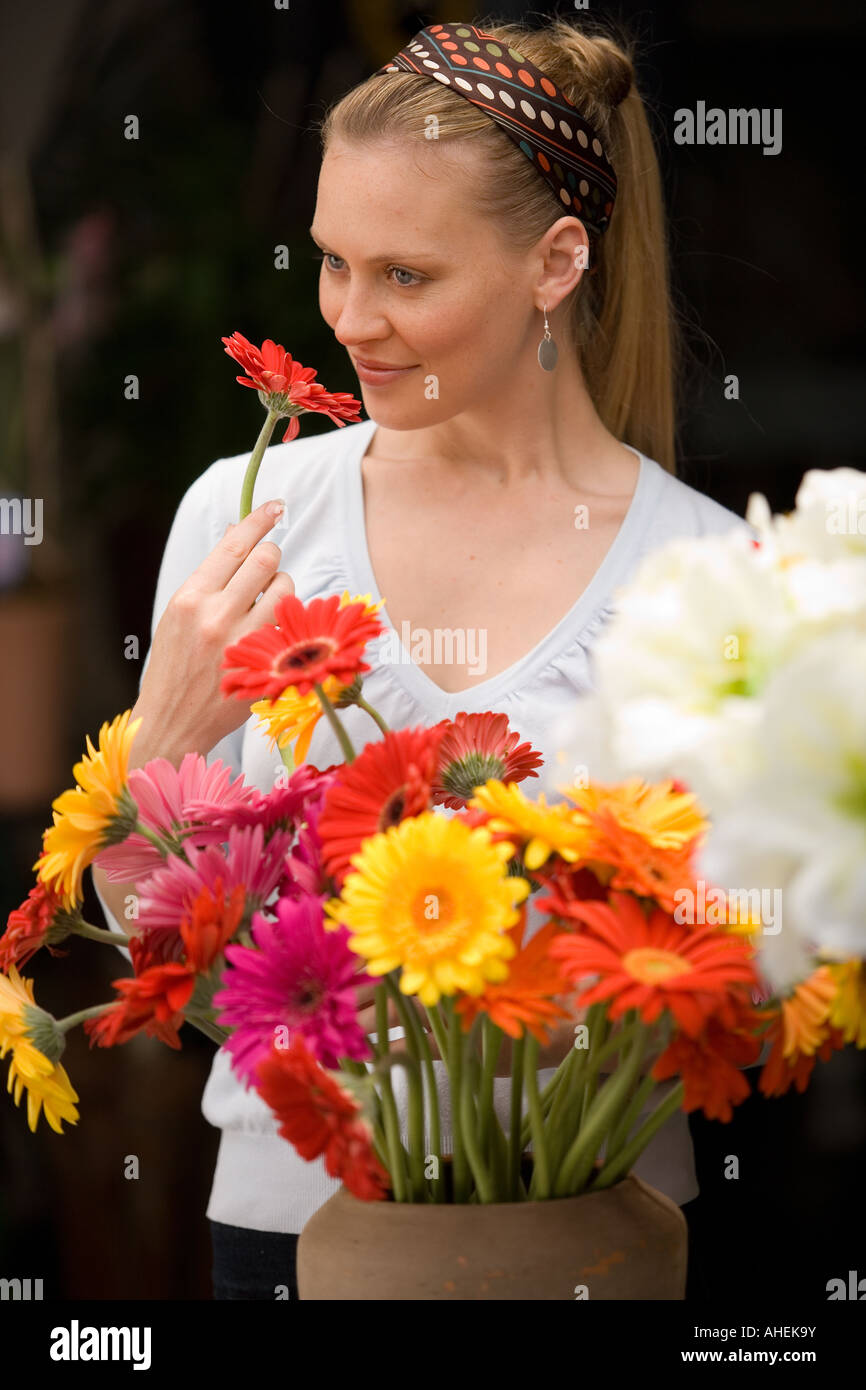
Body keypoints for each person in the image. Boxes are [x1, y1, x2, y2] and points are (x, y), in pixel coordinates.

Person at [91, 16, 748, 1300]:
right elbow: (147, 948)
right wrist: (161, 744)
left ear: (556, 263)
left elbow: (747, 975)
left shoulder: (707, 578)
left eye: (405, 276)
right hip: (285, 1233)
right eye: (334, 264)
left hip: (588, 1242)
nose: (347, 320)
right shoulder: (248, 516)